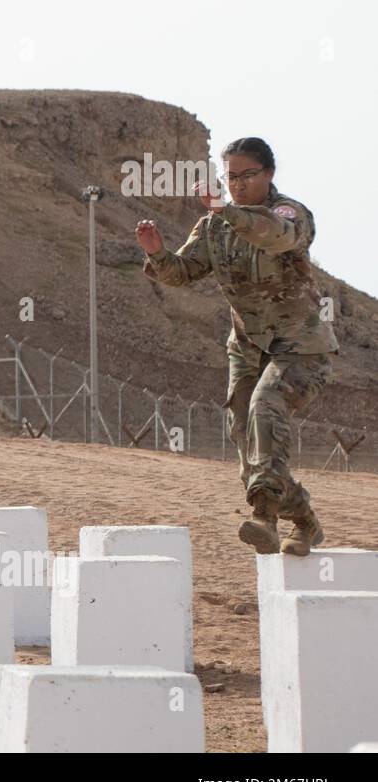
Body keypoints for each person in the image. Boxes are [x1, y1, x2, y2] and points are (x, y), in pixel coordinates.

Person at [136, 138, 338, 556]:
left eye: (247, 176)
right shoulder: (213, 227)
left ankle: (264, 516)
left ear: (268, 175)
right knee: (247, 444)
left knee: (267, 406)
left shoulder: (288, 214)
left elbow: (277, 237)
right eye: (231, 177)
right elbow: (183, 272)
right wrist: (157, 254)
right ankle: (303, 518)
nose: (238, 185)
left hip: (301, 346)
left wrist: (227, 209)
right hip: (247, 348)